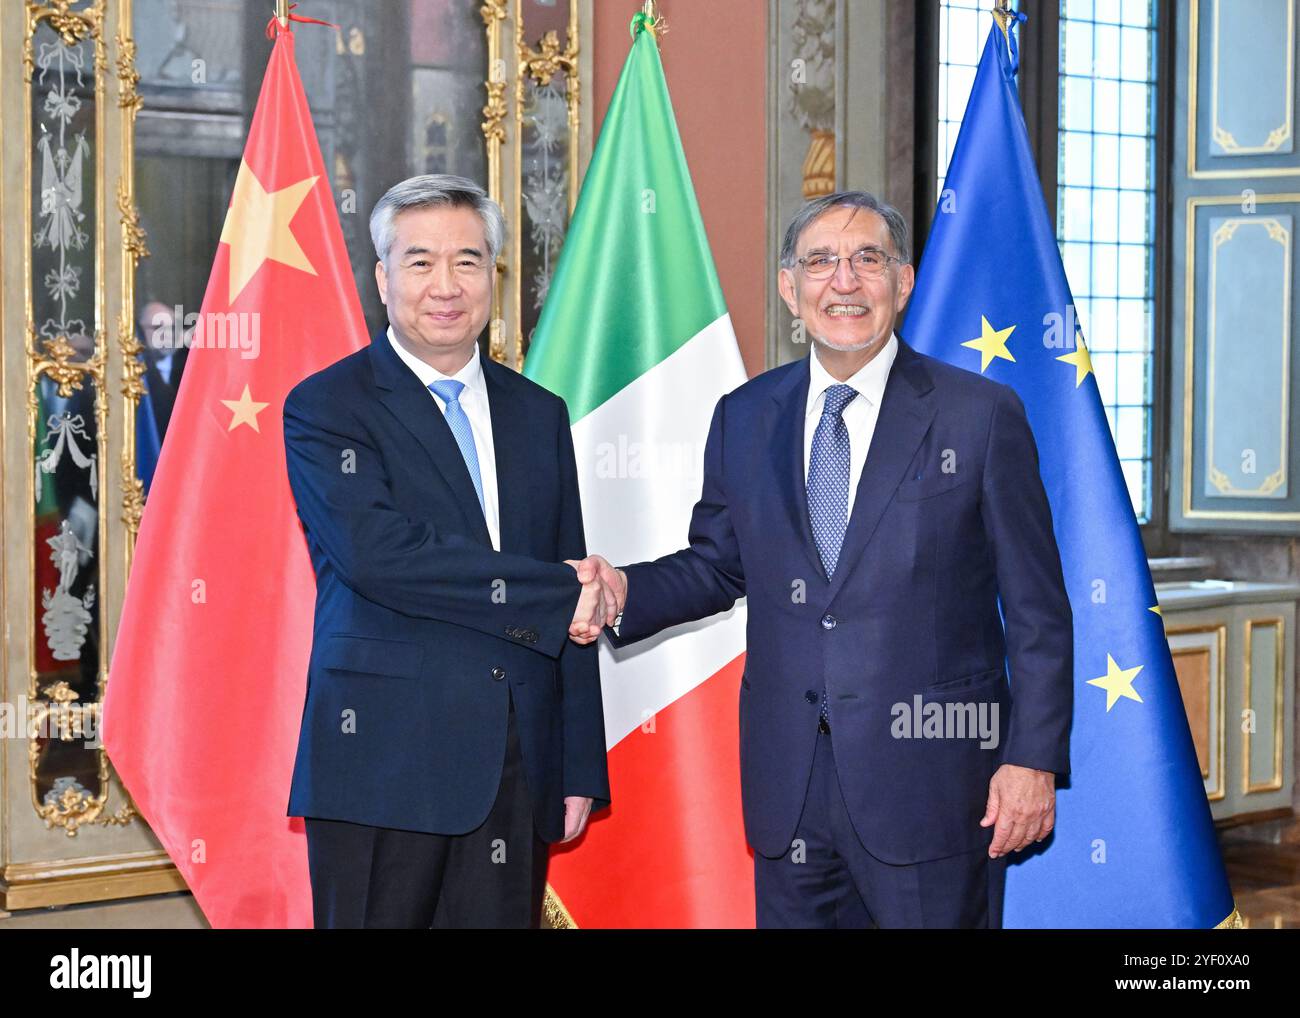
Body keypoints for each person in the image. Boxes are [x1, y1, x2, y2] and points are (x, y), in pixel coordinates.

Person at [578, 191, 1073, 928]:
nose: (844, 281)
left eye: (867, 260)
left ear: (902, 283)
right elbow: (719, 566)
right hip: (792, 791)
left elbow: (1037, 609)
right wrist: (622, 591)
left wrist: (1032, 760)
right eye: (820, 262)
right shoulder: (745, 417)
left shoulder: (978, 415)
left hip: (934, 787)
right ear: (790, 287)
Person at [282, 174, 612, 928]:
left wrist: (578, 762)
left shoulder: (538, 413)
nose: (445, 285)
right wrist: (558, 591)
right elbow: (382, 556)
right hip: (381, 761)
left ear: (492, 276)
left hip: (515, 764)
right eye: (420, 261)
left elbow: (573, 579)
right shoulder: (329, 405)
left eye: (468, 261)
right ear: (382, 277)